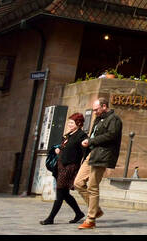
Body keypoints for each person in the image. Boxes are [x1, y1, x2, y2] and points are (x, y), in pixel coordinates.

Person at [74, 96, 122, 229]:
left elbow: (111, 135)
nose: (95, 112)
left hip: (103, 155)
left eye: (96, 109)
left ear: (104, 106)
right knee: (78, 183)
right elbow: (94, 135)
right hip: (92, 154)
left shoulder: (114, 119)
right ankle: (96, 209)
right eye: (94, 110)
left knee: (93, 186)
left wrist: (91, 141)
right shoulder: (99, 119)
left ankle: (90, 219)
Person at [41, 112, 87, 225]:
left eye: (72, 123)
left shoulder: (82, 136)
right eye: (69, 122)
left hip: (70, 167)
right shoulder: (69, 135)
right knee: (65, 193)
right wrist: (59, 150)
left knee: (60, 193)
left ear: (79, 123)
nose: (69, 125)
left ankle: (50, 218)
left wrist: (82, 169)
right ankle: (79, 213)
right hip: (61, 166)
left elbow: (84, 153)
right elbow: (66, 147)